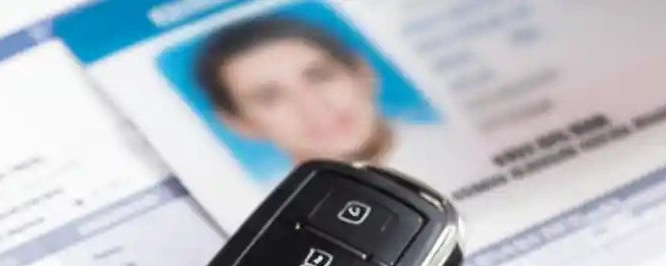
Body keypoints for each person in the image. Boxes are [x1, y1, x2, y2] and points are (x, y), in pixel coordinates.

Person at [193, 14, 476, 184]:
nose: (312, 107)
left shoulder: (467, 146)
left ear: (363, 73)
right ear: (239, 124)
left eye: (318, 76)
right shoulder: (263, 216)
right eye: (270, 97)